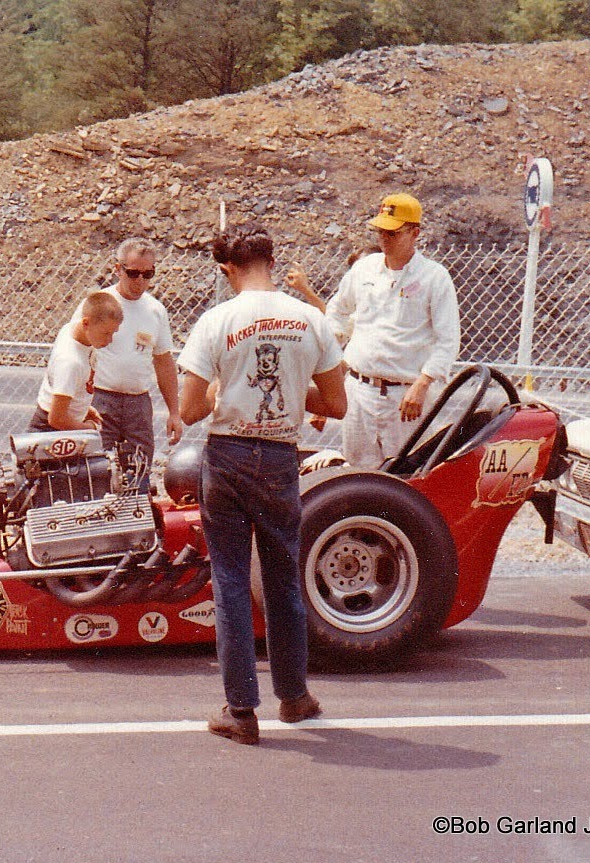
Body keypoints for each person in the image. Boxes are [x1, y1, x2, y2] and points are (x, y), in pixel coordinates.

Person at [177, 226, 347, 746]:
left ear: (229, 270)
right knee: (281, 576)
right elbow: (336, 405)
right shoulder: (310, 319)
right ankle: (294, 696)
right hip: (279, 456)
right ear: (272, 262)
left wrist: (222, 386)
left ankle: (240, 710)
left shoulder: (217, 321)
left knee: (230, 579)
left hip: (227, 454)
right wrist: (293, 393)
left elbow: (189, 410)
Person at [288, 194, 460, 467]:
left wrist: (423, 383)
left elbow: (447, 340)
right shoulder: (364, 269)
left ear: (415, 233)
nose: (384, 238)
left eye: (392, 232)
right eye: (380, 231)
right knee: (358, 470)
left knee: (405, 471)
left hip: (405, 395)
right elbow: (337, 311)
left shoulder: (434, 277)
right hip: (360, 390)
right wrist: (332, 349)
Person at [75, 238, 184, 490]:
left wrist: (174, 412)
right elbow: (76, 347)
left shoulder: (155, 310)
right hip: (100, 400)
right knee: (95, 470)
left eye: (148, 274)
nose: (140, 281)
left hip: (137, 403)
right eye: (133, 273)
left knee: (140, 470)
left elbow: (164, 361)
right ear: (118, 269)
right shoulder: (98, 303)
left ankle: (137, 522)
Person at [27, 291, 123, 433]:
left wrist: (82, 407)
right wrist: (90, 428)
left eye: (113, 333)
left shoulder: (72, 330)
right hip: (50, 431)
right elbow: (56, 419)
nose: (110, 340)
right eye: (106, 333)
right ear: (86, 323)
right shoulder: (70, 362)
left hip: (64, 421)